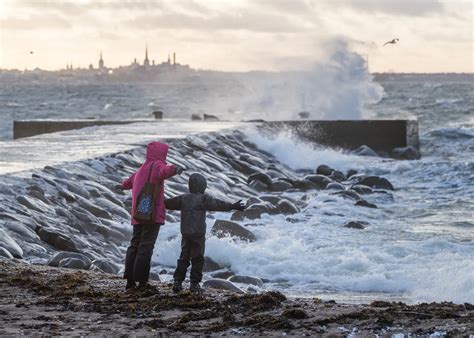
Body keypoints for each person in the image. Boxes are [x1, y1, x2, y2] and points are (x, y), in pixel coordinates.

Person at [117, 141, 183, 292]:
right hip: (151, 215)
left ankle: (130, 281)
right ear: (161, 153)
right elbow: (164, 171)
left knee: (134, 245)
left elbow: (130, 181)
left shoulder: (141, 168)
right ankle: (142, 282)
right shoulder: (157, 165)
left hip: (138, 214)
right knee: (146, 247)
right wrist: (175, 169)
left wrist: (122, 186)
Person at [164, 173, 245, 294]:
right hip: (198, 234)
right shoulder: (203, 199)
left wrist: (155, 200)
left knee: (183, 258)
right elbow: (218, 205)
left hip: (186, 233)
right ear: (203, 187)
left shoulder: (183, 198)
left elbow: (167, 203)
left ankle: (177, 282)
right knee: (197, 259)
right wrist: (233, 206)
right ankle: (194, 284)